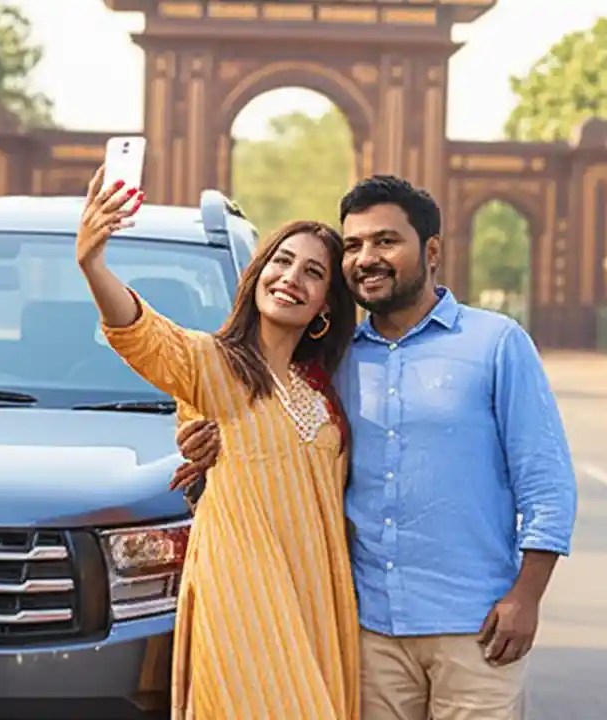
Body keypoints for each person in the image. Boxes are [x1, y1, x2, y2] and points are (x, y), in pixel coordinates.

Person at [173, 175, 578, 720]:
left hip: (475, 627)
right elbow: (277, 438)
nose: (367, 257)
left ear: (431, 251)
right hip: (368, 632)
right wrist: (214, 441)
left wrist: (527, 596)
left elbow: (546, 480)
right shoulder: (328, 362)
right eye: (356, 245)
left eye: (386, 241)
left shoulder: (494, 344)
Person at [74, 166, 361, 720]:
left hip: (316, 598)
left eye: (312, 272)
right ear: (257, 274)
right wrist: (92, 264)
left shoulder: (325, 393)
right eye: (281, 261)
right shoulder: (215, 366)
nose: (291, 278)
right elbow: (144, 333)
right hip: (243, 596)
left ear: (326, 305)